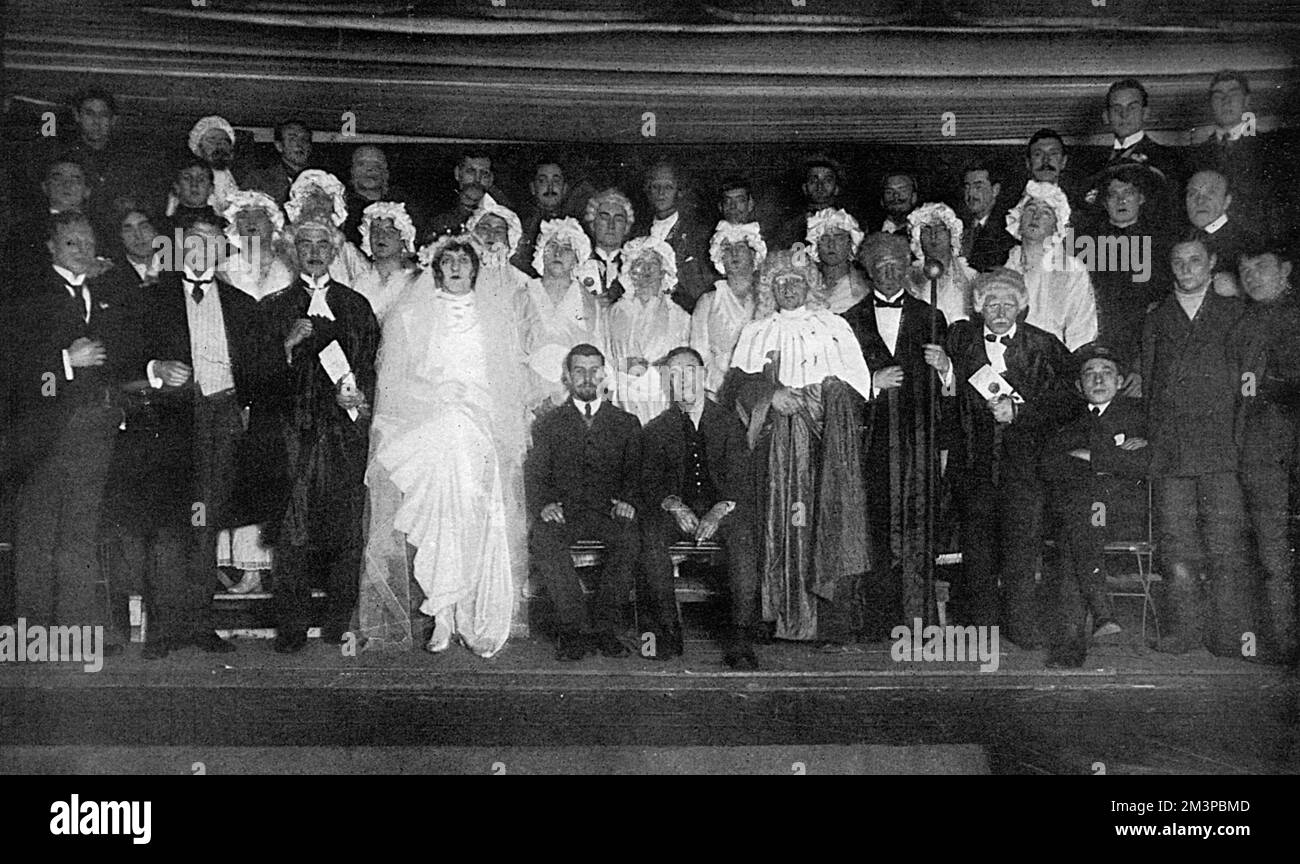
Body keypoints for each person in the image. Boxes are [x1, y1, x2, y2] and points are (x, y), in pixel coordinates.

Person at [361, 235, 535, 656]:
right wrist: (439, 395)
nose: (456, 266)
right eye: (448, 260)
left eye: (464, 260)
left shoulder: (495, 316)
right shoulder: (413, 314)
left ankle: (465, 612)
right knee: (442, 509)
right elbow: (396, 383)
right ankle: (442, 614)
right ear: (436, 268)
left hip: (480, 427)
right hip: (426, 424)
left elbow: (508, 386)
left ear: (476, 268)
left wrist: (473, 401)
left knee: (471, 516)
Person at [116, 218, 268, 658]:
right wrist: (154, 370)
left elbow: (259, 369)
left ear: (223, 252)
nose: (201, 251)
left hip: (222, 418)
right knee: (168, 524)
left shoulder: (242, 304)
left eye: (211, 244)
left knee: (206, 521)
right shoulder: (152, 300)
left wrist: (245, 403)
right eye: (192, 243)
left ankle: (201, 623)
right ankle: (163, 629)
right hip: (169, 421)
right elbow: (121, 360)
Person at [721, 246, 873, 643]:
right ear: (770, 288)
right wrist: (770, 395)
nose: (789, 288)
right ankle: (776, 619)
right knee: (779, 524)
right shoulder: (757, 331)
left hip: (826, 450)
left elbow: (859, 389)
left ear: (811, 285)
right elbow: (735, 390)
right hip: (772, 452)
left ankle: (825, 623)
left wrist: (821, 398)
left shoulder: (834, 326)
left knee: (821, 525)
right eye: (781, 282)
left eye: (797, 281)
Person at [2, 213, 136, 656]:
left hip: (95, 429)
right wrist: (63, 362)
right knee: (37, 532)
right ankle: (33, 634)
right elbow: (13, 368)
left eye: (87, 243)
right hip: (43, 431)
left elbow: (124, 353)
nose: (80, 250)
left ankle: (79, 632)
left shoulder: (105, 293)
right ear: (51, 246)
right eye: (71, 243)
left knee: (81, 532)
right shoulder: (28, 293)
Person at [248, 219, 380, 654]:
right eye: (305, 243)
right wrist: (285, 346)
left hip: (343, 436)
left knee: (345, 532)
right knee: (292, 531)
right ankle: (291, 627)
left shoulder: (357, 306)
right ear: (291, 250)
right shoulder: (271, 307)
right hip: (292, 436)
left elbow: (371, 371)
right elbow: (255, 379)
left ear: (336, 249)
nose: (315, 250)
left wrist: (359, 400)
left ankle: (338, 623)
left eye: (324, 243)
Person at [928, 268, 1075, 647]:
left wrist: (1020, 412)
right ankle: (982, 629)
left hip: (1024, 465)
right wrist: (946, 371)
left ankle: (1022, 626)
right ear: (979, 307)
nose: (999, 310)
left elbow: (1068, 401)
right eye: (991, 303)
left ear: (1021, 306)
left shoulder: (1043, 345)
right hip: (974, 462)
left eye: (1008, 303)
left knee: (1021, 548)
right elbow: (947, 393)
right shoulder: (962, 340)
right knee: (977, 551)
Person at [1141, 233, 1252, 656]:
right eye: (1178, 261)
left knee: (1226, 546)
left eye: (1194, 260)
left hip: (1221, 449)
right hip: (1172, 451)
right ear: (1170, 267)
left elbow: (1246, 382)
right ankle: (1184, 632)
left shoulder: (1233, 313)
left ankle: (1230, 636)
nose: (1186, 268)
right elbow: (1150, 388)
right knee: (1177, 545)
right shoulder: (1157, 318)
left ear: (1211, 264)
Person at [843, 230, 954, 639]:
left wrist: (945, 366)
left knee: (917, 524)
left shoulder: (932, 317)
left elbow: (948, 393)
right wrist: (872, 381)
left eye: (895, 265)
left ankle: (917, 622)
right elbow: (840, 386)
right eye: (879, 267)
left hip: (917, 439)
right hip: (870, 443)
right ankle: (876, 622)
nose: (888, 272)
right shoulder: (848, 321)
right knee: (874, 525)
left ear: (908, 268)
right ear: (868, 273)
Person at [640, 347, 758, 667]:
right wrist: (674, 505)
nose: (682, 381)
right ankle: (668, 631)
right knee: (650, 535)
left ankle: (740, 637)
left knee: (743, 537)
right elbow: (649, 484)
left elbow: (741, 479)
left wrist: (718, 512)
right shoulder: (657, 428)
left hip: (723, 507)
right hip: (678, 511)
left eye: (689, 372)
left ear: (703, 375)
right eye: (674, 375)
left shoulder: (728, 423)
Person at [526, 343, 642, 661]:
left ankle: (605, 628)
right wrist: (545, 504)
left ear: (604, 375)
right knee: (544, 538)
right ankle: (574, 630)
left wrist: (629, 501)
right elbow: (535, 474)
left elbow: (637, 472)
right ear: (567, 376)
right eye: (579, 370)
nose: (587, 377)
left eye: (594, 370)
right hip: (567, 513)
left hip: (608, 512)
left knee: (631, 538)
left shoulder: (626, 423)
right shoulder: (548, 424)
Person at [1038, 344, 1150, 667]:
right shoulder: (1068, 421)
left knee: (1075, 533)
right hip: (1083, 517)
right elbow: (1049, 464)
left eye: (1106, 373)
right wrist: (1116, 460)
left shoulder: (1138, 416)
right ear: (1079, 385)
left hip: (1123, 515)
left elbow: (1146, 462)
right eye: (1090, 374)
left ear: (1120, 381)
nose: (1098, 380)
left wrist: (1092, 456)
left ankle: (1076, 639)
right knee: (1079, 525)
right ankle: (1099, 619)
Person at [1236, 245, 1299, 664]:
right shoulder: (1244, 321)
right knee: (1273, 552)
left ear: (1286, 270)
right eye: (1245, 270)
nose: (1252, 276)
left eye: (1262, 267)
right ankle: (1285, 643)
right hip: (1263, 453)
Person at [1076, 164, 1172, 371]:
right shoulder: (1085, 243)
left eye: (1128, 193)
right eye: (1113, 195)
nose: (1121, 200)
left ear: (1141, 198)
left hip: (1145, 347)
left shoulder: (1161, 244)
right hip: (1095, 344)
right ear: (1104, 202)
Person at [520, 216, 605, 411]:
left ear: (576, 258)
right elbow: (512, 352)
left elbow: (596, 354)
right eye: (552, 246)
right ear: (542, 252)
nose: (558, 253)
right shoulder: (523, 295)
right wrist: (533, 400)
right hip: (531, 398)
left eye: (567, 248)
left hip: (575, 399)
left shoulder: (589, 302)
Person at [605, 235, 691, 425]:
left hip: (663, 402)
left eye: (652, 263)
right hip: (624, 403)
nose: (646, 270)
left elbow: (686, 366)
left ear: (663, 271)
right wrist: (622, 368)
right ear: (629, 270)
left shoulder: (680, 317)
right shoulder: (613, 313)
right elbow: (604, 359)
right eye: (639, 263)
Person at [1004, 180, 1099, 351]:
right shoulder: (1005, 268)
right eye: (1031, 210)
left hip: (1052, 362)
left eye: (1046, 213)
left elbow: (1081, 331)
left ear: (1057, 227)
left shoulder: (1071, 270)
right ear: (1018, 218)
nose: (1036, 217)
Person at [691, 221, 763, 398]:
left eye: (740, 247)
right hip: (716, 390)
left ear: (753, 255)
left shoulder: (765, 298)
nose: (734, 253)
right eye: (727, 249)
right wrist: (724, 386)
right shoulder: (708, 301)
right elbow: (699, 353)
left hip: (758, 391)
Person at [638, 160, 710, 312]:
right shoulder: (638, 234)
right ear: (648, 190)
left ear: (679, 191)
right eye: (655, 186)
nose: (661, 193)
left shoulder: (697, 234)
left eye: (668, 187)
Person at [284, 169, 371, 287]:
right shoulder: (285, 248)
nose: (319, 203)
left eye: (325, 199)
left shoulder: (347, 252)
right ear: (299, 205)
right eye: (312, 197)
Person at [906, 202, 975, 324]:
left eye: (940, 229)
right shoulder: (908, 279)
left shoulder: (971, 277)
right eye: (926, 230)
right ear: (918, 237)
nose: (934, 236)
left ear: (951, 235)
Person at [465, 192, 529, 322]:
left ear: (508, 239)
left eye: (499, 230)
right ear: (473, 233)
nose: (491, 234)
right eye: (484, 228)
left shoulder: (522, 281)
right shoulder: (458, 272)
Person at [353, 201, 419, 323]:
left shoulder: (414, 283)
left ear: (403, 239)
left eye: (390, 231)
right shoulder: (359, 282)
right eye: (375, 231)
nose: (381, 236)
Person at [342, 145, 420, 248]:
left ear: (386, 172)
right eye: (362, 164)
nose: (370, 169)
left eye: (376, 164)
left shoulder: (404, 206)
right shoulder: (342, 207)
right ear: (352, 171)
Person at [168, 115, 243, 217]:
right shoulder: (187, 178)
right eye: (212, 141)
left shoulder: (243, 178)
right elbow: (175, 223)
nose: (220, 146)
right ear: (198, 148)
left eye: (225, 142)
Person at [1185, 169, 1246, 292]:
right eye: (1192, 194)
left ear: (1226, 201)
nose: (1200, 201)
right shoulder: (1177, 239)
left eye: (1210, 194)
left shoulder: (1244, 242)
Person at [513, 159, 571, 276]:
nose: (550, 188)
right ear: (533, 188)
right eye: (542, 181)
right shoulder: (518, 225)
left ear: (565, 188)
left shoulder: (576, 226)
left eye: (556, 181)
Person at [774, 154, 844, 249]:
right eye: (813, 181)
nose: (820, 186)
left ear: (836, 188)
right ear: (805, 188)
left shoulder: (848, 223)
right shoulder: (791, 227)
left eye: (827, 180)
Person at [806, 207, 868, 314]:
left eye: (839, 238)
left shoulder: (863, 288)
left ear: (850, 243)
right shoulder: (807, 285)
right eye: (824, 238)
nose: (831, 245)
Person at [961, 161, 1017, 273]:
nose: (970, 194)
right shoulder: (960, 225)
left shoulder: (1009, 229)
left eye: (978, 187)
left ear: (995, 190)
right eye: (967, 187)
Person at [244, 118, 314, 205]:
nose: (299, 144)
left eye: (304, 139)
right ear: (279, 146)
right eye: (292, 139)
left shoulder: (323, 181)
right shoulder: (258, 180)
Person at [584, 188, 635, 300]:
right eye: (604, 218)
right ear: (593, 223)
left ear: (626, 227)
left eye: (618, 220)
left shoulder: (634, 265)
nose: (611, 225)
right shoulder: (579, 263)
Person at [879, 172, 918, 236]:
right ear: (882, 199)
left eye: (903, 191)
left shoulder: (924, 229)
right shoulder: (866, 231)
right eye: (889, 192)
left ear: (914, 196)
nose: (896, 196)